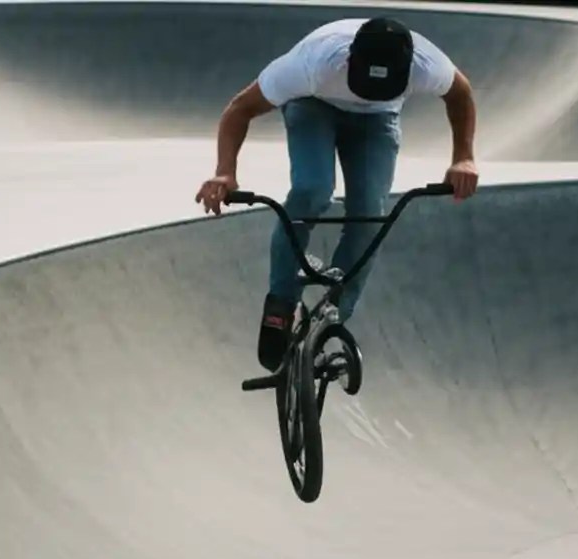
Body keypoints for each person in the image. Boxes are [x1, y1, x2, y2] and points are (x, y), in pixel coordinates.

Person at [195, 17, 479, 371]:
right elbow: (240, 108)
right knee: (312, 189)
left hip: (378, 122)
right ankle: (281, 304)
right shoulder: (314, 63)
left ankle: (332, 315)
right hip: (313, 105)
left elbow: (461, 94)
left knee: (371, 212)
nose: (366, 92)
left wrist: (463, 158)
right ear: (348, 61)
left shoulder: (428, 64)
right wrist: (225, 172)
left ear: (407, 72)